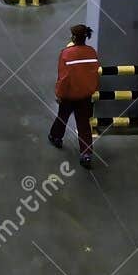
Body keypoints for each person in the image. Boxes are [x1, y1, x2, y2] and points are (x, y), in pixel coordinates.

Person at [49, 24, 100, 168]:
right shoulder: (92, 52)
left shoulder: (66, 54)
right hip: (85, 96)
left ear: (74, 38)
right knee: (84, 124)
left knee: (62, 117)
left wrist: (59, 94)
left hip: (69, 95)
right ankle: (86, 154)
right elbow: (95, 74)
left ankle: (56, 137)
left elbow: (63, 78)